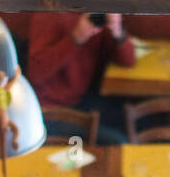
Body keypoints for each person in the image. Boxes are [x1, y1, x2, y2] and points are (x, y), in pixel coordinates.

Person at [27, 13, 136, 144]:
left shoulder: (96, 14)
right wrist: (76, 38)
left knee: (139, 122)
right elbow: (35, 74)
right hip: (48, 110)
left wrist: (118, 32)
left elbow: (128, 61)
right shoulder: (48, 13)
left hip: (80, 101)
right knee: (118, 142)